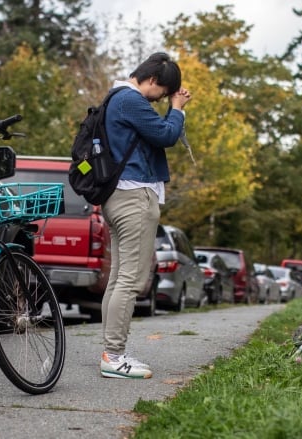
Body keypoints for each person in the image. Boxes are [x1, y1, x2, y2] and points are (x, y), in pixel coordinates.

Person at [99, 52, 192, 379]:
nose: (163, 99)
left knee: (118, 278)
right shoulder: (131, 100)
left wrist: (171, 109)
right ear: (153, 81)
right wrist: (177, 109)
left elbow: (157, 131)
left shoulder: (117, 98)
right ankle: (114, 355)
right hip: (134, 197)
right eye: (164, 92)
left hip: (119, 196)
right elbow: (166, 135)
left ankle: (110, 351)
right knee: (131, 280)